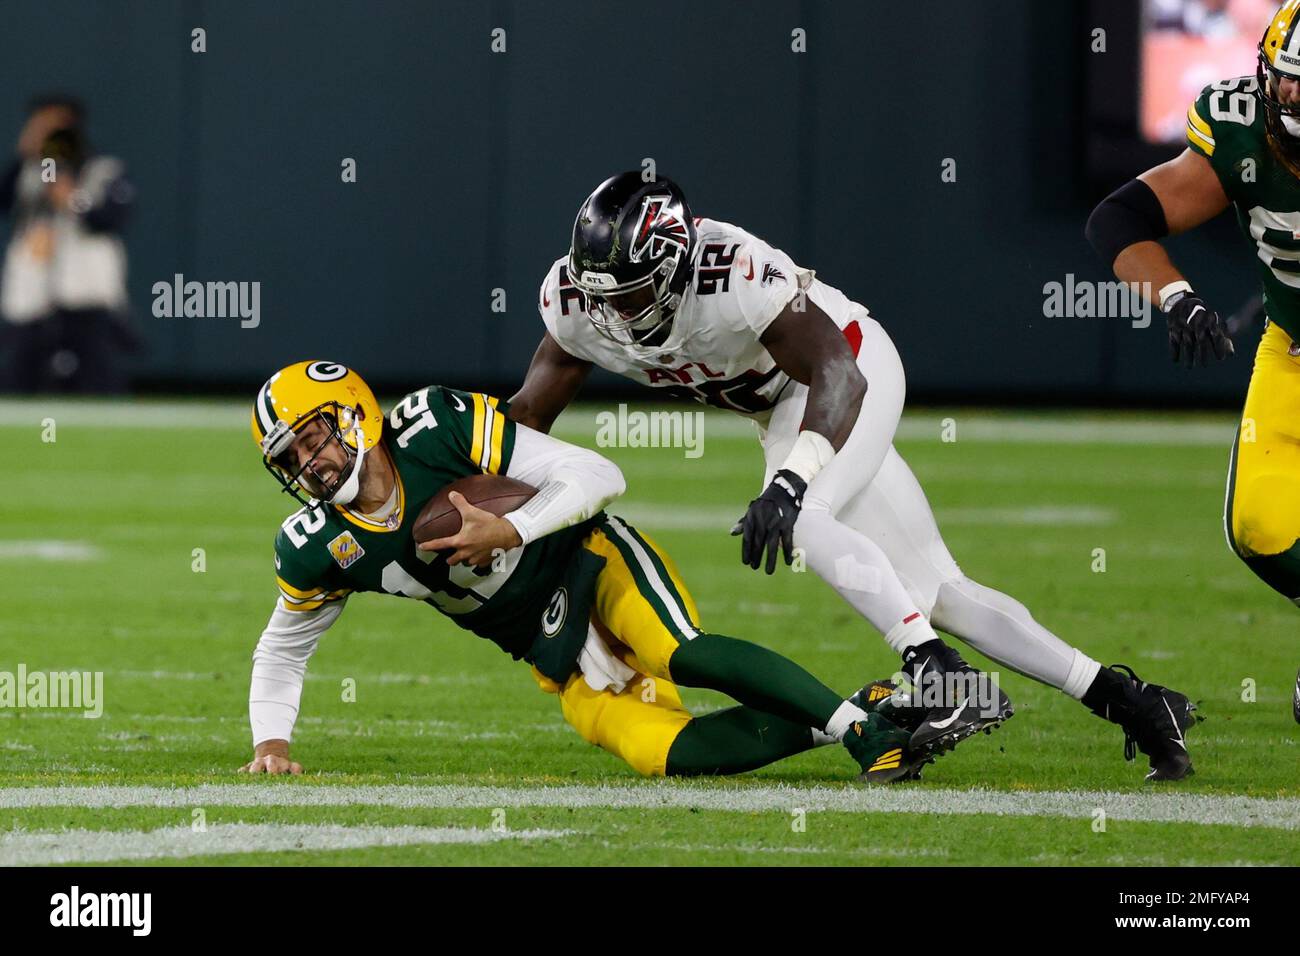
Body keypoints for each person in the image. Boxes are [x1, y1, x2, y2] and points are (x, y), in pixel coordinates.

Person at [510, 172, 1196, 780]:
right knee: (940, 593)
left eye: (630, 295)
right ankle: (1129, 700)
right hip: (783, 407)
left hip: (849, 373)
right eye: (603, 296)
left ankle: (935, 672)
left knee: (804, 516)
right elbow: (523, 427)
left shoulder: (735, 272)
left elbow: (836, 369)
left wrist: (790, 482)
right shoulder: (578, 301)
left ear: (673, 267)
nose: (612, 314)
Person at [239, 360, 949, 782]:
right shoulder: (314, 544)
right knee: (663, 755)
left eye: (312, 438)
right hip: (548, 648)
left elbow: (598, 472)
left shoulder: (435, 427)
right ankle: (860, 706)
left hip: (588, 561)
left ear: (355, 414)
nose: (309, 464)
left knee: (678, 653)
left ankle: (865, 736)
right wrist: (272, 744)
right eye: (289, 459)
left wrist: (511, 525)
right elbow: (282, 649)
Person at [1088, 0, 1300, 726]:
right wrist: (1177, 298)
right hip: (1293, 353)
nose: (1293, 97)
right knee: (1261, 531)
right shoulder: (1242, 127)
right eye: (1286, 79)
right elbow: (1119, 218)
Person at [0, 94, 135, 393]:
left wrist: (72, 198)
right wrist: (24, 154)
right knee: (16, 388)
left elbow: (109, 218)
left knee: (98, 387)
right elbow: (5, 201)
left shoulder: (102, 169)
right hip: (31, 304)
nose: (52, 135)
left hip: (86, 302)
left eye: (58, 127)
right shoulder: (29, 171)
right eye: (42, 126)